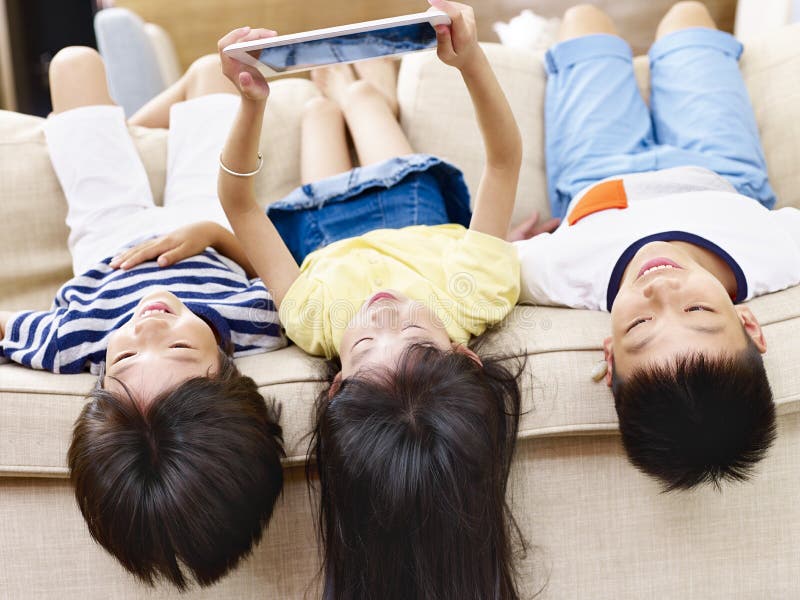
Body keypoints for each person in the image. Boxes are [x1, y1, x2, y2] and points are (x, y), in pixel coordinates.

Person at [214, 1, 526, 597]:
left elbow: (240, 205)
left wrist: (252, 101)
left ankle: (348, 82)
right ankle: (372, 84)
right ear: (465, 357)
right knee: (362, 101)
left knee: (318, 111)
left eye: (364, 343)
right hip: (405, 200)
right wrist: (471, 63)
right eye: (412, 334)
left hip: (319, 224)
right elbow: (505, 161)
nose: (384, 313)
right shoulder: (477, 294)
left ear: (336, 386)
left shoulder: (313, 320)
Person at [0, 44, 287, 589]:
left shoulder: (72, 343)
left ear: (100, 378)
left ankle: (132, 132)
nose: (148, 326)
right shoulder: (259, 323)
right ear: (230, 371)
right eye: (181, 348)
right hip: (206, 217)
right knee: (210, 70)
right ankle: (146, 127)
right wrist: (216, 236)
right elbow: (281, 265)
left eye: (125, 355)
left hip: (106, 232)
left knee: (72, 63)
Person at [515, 2, 800, 491]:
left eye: (641, 325)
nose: (661, 289)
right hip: (718, 167)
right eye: (696, 308)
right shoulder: (779, 253)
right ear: (749, 324)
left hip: (598, 173)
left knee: (585, 20)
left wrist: (506, 244)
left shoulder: (555, 273)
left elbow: (486, 261)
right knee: (686, 16)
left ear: (609, 356)